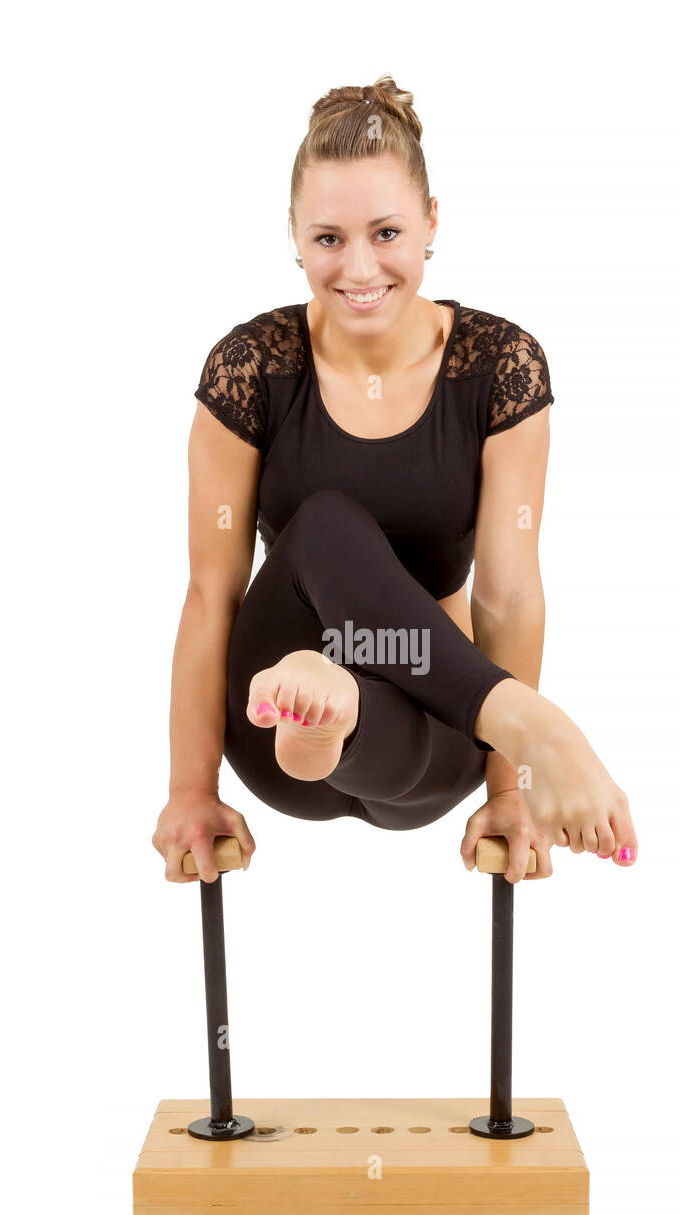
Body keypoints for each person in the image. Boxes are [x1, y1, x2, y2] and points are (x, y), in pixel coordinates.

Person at [152, 74, 638, 887]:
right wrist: (190, 791)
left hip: (426, 740)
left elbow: (507, 597)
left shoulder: (498, 368)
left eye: (385, 232)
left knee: (370, 704)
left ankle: (336, 708)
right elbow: (212, 592)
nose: (359, 268)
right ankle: (519, 722)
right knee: (328, 524)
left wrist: (505, 794)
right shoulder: (252, 369)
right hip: (268, 707)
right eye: (329, 239)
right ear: (294, 236)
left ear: (431, 222)